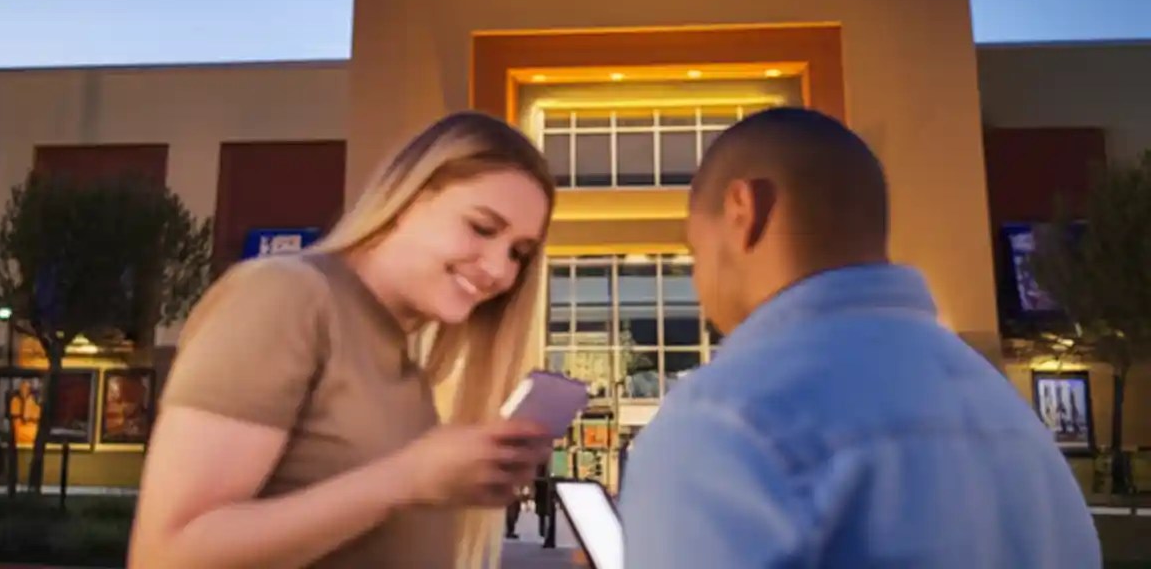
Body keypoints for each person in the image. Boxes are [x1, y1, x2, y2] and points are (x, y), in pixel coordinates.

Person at [620, 107, 1101, 567]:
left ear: (744, 210)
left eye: (695, 249)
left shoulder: (724, 421)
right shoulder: (1015, 421)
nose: (698, 280)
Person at [129, 111, 556, 568]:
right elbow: (166, 557)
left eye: (518, 253)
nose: (497, 269)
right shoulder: (286, 296)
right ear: (408, 197)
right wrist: (407, 479)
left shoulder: (404, 370)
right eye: (482, 228)